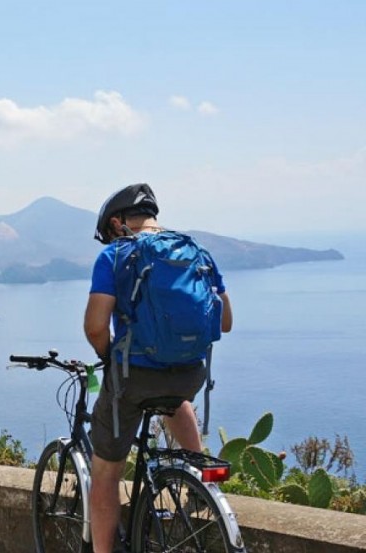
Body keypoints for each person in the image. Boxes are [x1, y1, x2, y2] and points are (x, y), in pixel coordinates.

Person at [84, 184, 234, 553]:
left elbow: (95, 326)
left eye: (107, 234)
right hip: (188, 373)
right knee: (176, 402)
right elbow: (225, 321)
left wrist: (108, 357)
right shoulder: (195, 252)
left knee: (104, 474)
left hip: (135, 377)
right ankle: (201, 478)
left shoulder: (116, 256)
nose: (108, 241)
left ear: (118, 222)